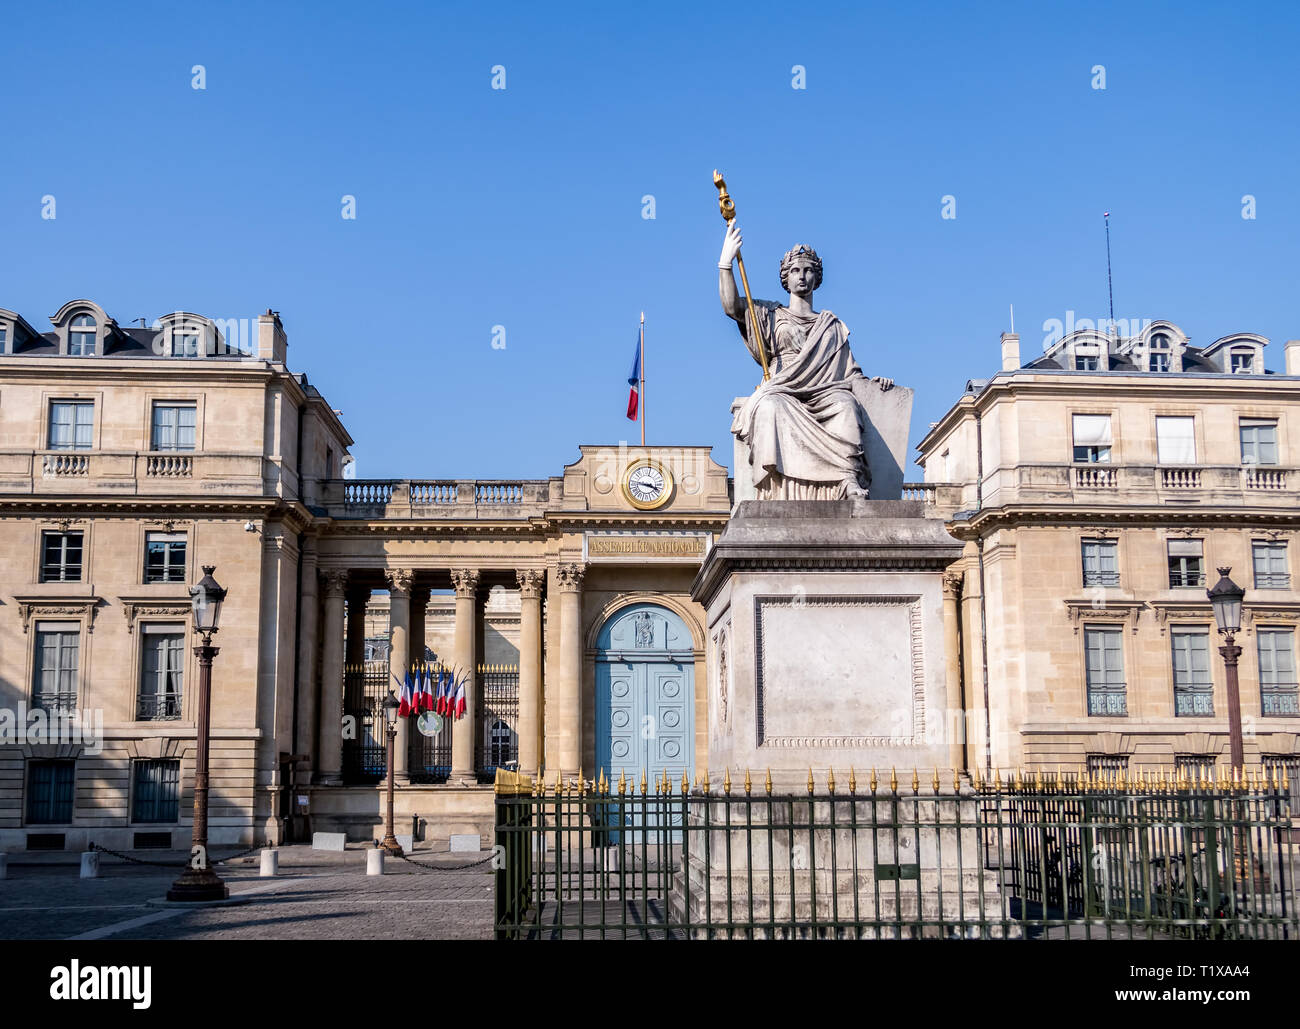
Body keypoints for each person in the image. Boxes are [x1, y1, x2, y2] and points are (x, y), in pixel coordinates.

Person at [718, 224, 889, 499]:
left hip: (825, 390)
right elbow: (731, 307)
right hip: (784, 387)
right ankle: (777, 486)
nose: (802, 276)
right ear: (786, 277)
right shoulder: (770, 313)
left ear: (816, 277)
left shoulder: (831, 325)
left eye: (808, 270)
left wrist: (874, 384)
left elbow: (850, 373)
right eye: (796, 270)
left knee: (845, 406)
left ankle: (847, 480)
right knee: (770, 406)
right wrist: (725, 263)